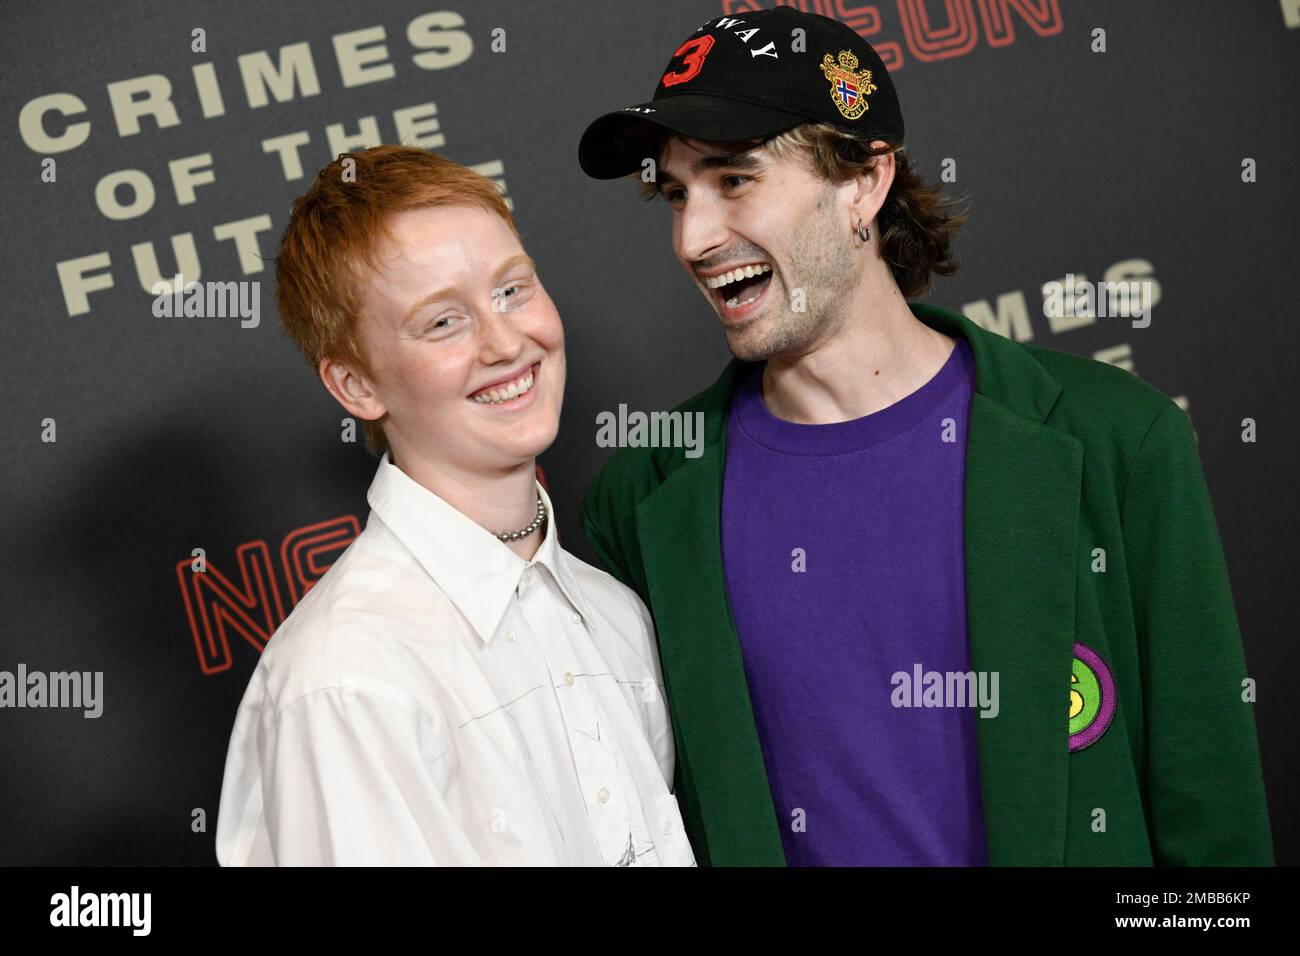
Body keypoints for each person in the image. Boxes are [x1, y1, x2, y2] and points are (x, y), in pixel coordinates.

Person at [576, 8, 1273, 866]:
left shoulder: (1118, 441)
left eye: (734, 179)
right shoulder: (644, 501)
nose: (693, 236)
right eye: (677, 194)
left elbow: (1216, 833)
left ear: (864, 181)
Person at [214, 145, 695, 866]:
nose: (507, 341)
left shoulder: (613, 613)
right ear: (356, 387)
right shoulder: (346, 679)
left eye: (512, 290)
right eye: (443, 322)